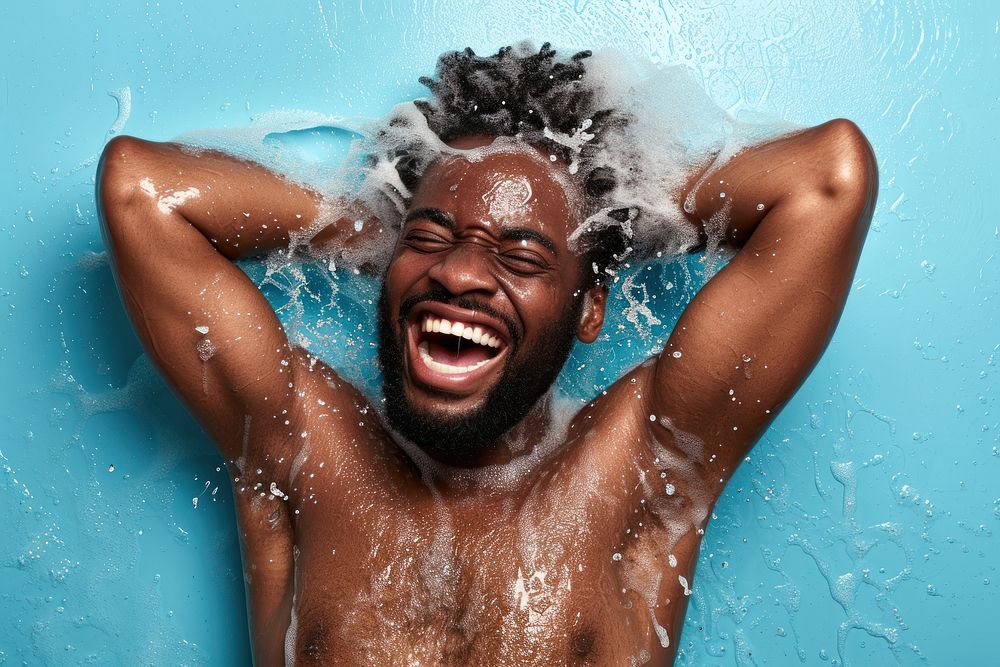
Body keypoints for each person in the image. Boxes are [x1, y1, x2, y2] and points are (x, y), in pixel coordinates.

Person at [96, 43, 876, 666]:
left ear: (590, 304)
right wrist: (376, 232)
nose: (462, 272)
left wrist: (608, 227)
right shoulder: (300, 447)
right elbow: (141, 193)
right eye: (432, 238)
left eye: (522, 255)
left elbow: (827, 181)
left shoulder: (641, 466)